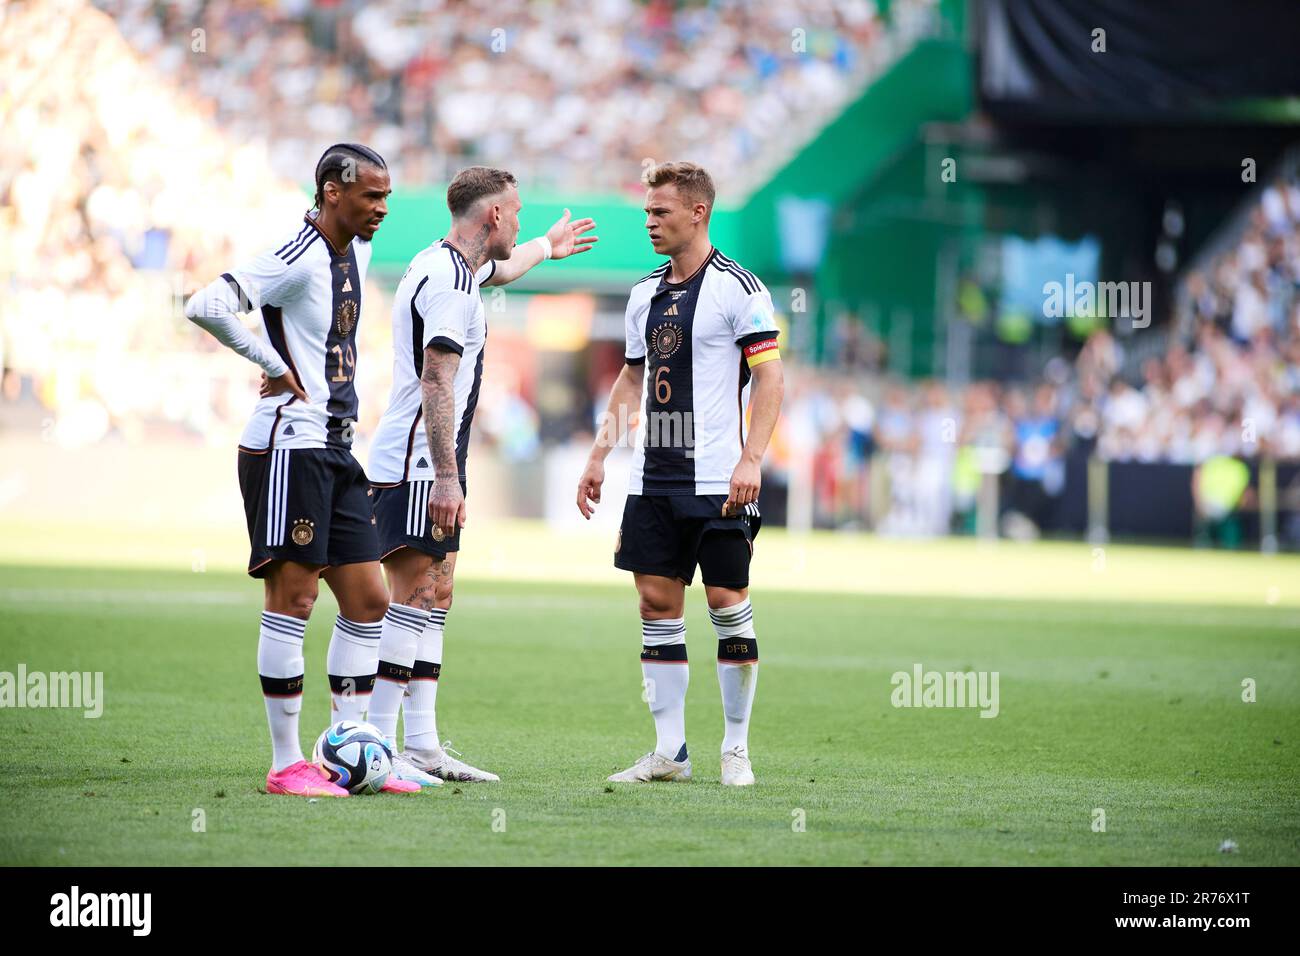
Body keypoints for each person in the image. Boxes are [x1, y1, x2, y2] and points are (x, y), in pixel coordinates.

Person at [185, 143, 420, 797]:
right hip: (288, 446)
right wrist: (268, 360)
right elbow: (205, 303)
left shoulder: (359, 252)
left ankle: (352, 749)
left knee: (369, 602)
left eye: (387, 197)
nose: (381, 208)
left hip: (339, 448)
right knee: (295, 597)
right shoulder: (295, 256)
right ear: (331, 191)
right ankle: (287, 763)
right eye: (371, 196)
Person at [367, 166, 597, 783]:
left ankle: (421, 744)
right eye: (516, 214)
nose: (518, 222)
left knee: (437, 593)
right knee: (412, 598)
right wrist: (446, 476)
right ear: (492, 216)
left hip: (431, 461)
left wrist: (548, 246)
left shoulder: (456, 268)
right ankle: (380, 748)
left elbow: (508, 265)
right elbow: (436, 377)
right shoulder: (448, 283)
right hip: (418, 463)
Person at [576, 161, 784, 786]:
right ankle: (671, 752)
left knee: (727, 601)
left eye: (660, 212)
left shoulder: (739, 289)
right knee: (656, 603)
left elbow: (770, 376)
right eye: (646, 212)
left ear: (698, 213)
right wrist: (598, 453)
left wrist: (752, 458)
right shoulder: (644, 293)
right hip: (653, 480)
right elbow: (633, 378)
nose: (649, 223)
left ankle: (737, 748)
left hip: (720, 478)